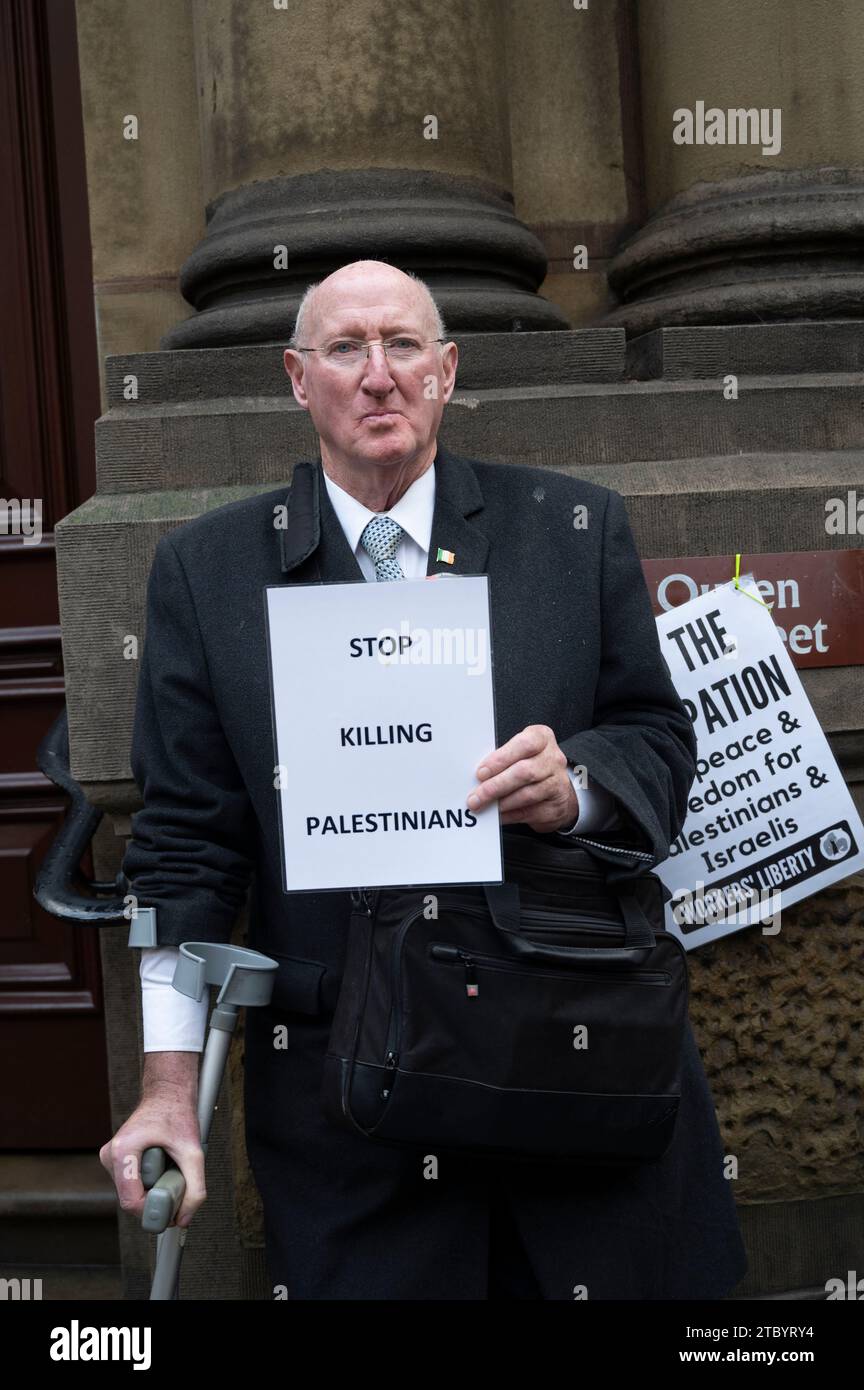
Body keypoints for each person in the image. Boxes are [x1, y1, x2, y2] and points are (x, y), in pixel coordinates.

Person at [102, 259, 748, 1300]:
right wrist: (167, 1092)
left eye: (404, 346)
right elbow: (184, 844)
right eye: (344, 348)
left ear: (447, 371)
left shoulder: (571, 530)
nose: (378, 375)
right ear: (296, 379)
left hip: (574, 1061)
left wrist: (577, 781)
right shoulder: (207, 571)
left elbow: (661, 744)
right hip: (354, 1102)